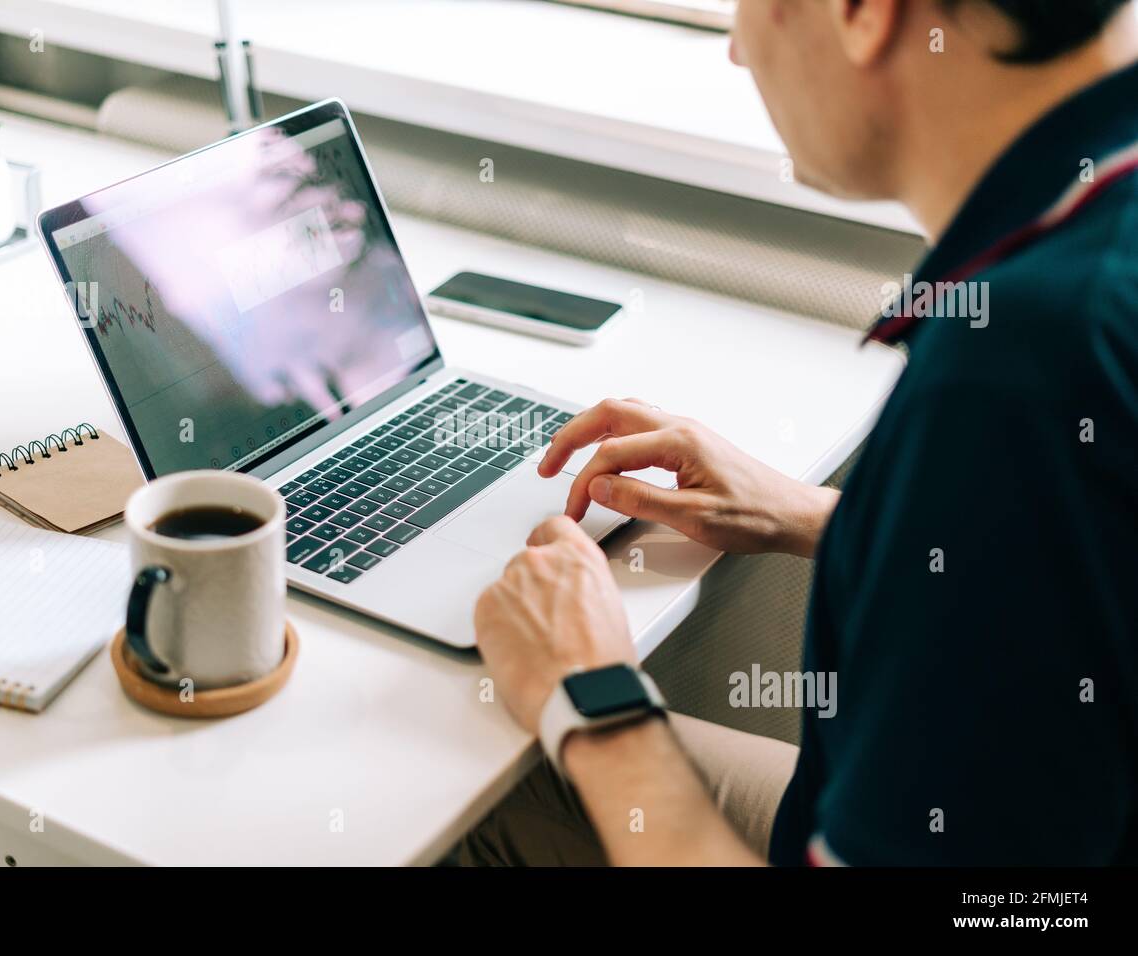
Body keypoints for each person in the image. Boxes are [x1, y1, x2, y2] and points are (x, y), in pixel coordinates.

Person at [463, 0, 1138, 866]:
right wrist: (831, 519)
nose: (740, 49)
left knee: (473, 787)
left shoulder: (1023, 369)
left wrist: (588, 696)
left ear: (862, 12)